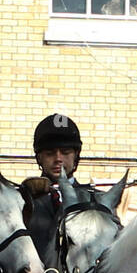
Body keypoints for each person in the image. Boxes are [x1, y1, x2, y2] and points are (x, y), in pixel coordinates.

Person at [21, 113, 91, 264]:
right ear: (39, 158)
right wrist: (24, 196)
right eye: (49, 153)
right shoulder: (19, 199)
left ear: (76, 155)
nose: (58, 158)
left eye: (65, 153)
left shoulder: (94, 200)